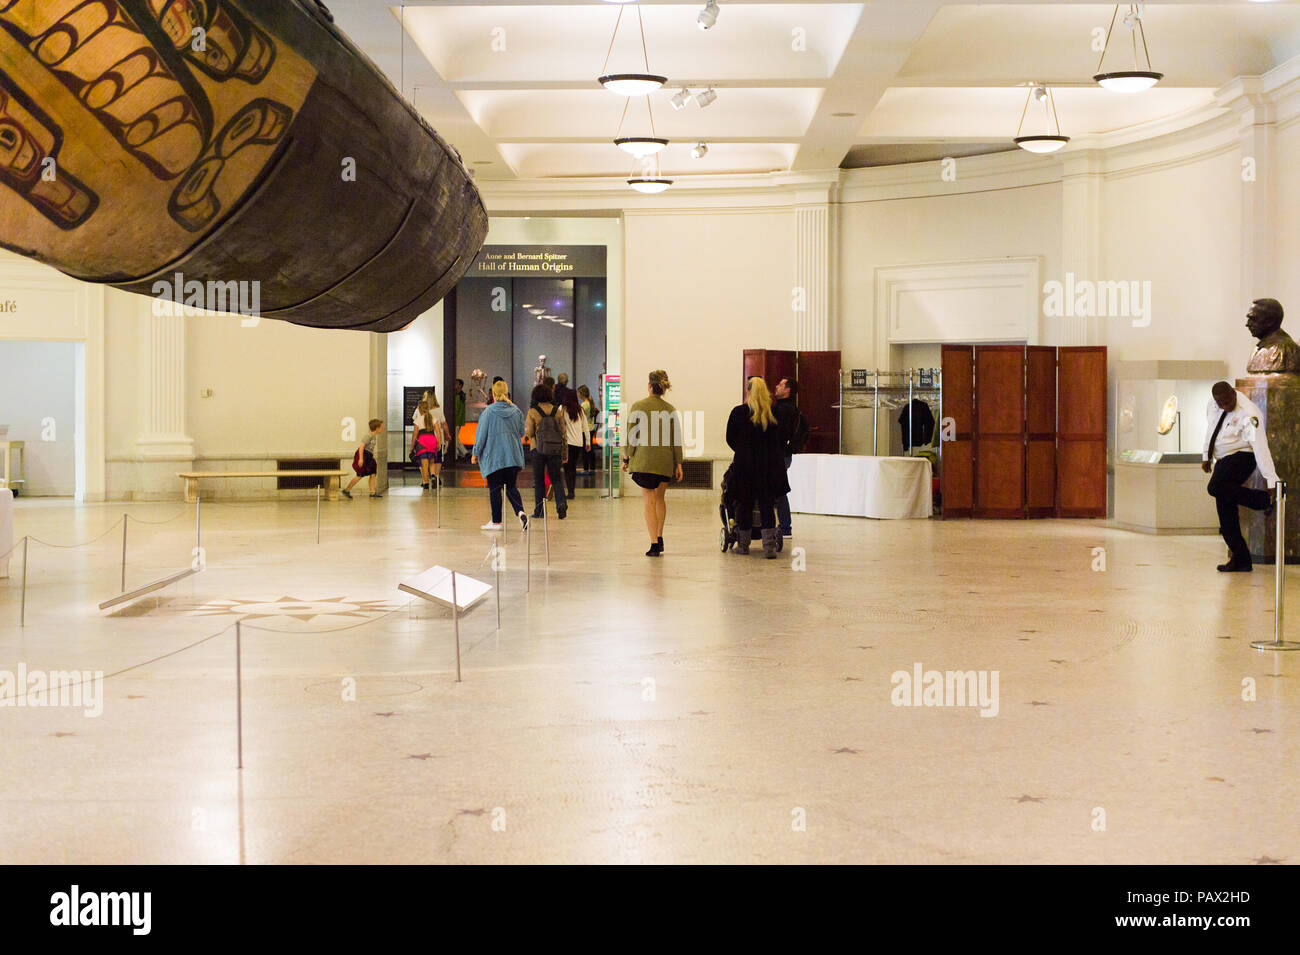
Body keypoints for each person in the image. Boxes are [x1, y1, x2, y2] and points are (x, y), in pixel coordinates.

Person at [1202, 380, 1278, 572]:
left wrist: (1271, 480)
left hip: (1243, 456)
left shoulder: (1250, 414)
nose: (1226, 406)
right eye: (1222, 404)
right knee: (1225, 511)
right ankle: (1241, 559)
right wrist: (1206, 456)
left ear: (1233, 393)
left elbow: (1261, 448)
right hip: (1223, 460)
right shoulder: (1213, 405)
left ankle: (1262, 500)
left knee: (1214, 488)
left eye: (1229, 401)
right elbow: (1211, 429)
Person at [727, 377, 790, 558]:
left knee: (744, 504)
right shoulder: (776, 413)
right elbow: (782, 438)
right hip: (769, 467)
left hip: (745, 467)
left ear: (748, 392)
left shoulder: (738, 413)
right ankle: (769, 547)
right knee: (767, 505)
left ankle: (744, 545)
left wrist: (742, 450)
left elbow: (730, 438)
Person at [623, 369, 683, 557]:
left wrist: (627, 457)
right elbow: (676, 438)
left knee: (648, 500)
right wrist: (678, 462)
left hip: (645, 461)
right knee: (660, 499)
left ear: (649, 386)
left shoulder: (638, 406)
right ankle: (660, 535)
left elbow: (632, 436)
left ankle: (654, 543)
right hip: (665, 462)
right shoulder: (670, 409)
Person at [472, 380, 528, 532]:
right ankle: (520, 512)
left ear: (493, 394)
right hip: (513, 456)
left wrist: (475, 453)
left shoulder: (488, 412)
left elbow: (481, 435)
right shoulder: (516, 411)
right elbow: (522, 433)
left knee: (495, 489)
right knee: (511, 487)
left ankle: (496, 522)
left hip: (494, 457)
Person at [772, 377, 809, 539]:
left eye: (780, 385)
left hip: (778, 455)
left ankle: (785, 527)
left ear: (787, 390)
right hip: (784, 454)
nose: (776, 386)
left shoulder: (784, 410)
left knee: (778, 490)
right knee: (778, 489)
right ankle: (784, 526)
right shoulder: (790, 409)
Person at [525, 382, 568, 519]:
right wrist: (565, 452)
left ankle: (540, 511)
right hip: (555, 449)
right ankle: (561, 504)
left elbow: (530, 432)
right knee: (556, 479)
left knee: (539, 481)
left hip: (537, 449)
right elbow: (563, 433)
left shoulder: (533, 412)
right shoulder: (557, 411)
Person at [560, 389, 591, 500]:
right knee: (572, 467)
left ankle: (570, 491)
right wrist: (588, 442)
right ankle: (571, 491)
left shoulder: (562, 409)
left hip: (567, 443)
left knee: (567, 468)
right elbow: (586, 427)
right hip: (578, 443)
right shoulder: (580, 410)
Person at [344, 418, 383, 499]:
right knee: (360, 475)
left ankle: (372, 492)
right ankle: (347, 490)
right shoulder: (368, 436)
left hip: (369, 457)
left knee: (373, 474)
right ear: (377, 428)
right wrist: (361, 459)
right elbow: (361, 447)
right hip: (364, 456)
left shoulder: (374, 437)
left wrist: (373, 456)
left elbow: (371, 448)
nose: (382, 429)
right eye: (381, 427)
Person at [410, 398, 439, 490]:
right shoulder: (433, 419)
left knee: (424, 464)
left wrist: (412, 447)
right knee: (432, 461)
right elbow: (438, 432)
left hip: (422, 441)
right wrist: (439, 443)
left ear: (419, 408)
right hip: (432, 440)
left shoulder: (418, 420)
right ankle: (433, 475)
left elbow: (415, 435)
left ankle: (426, 482)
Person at [577, 385, 600, 472]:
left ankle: (586, 468)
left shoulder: (584, 405)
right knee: (590, 449)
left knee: (585, 450)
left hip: (585, 429)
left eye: (578, 393)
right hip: (591, 428)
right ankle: (592, 467)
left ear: (581, 394)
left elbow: (579, 416)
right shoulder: (590, 403)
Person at [453, 378, 468, 461]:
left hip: (456, 420)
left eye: (456, 384)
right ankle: (457, 455)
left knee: (455, 438)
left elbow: (456, 409)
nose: (455, 385)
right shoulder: (462, 395)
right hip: (459, 420)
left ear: (460, 386)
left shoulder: (458, 396)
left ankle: (465, 452)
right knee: (456, 438)